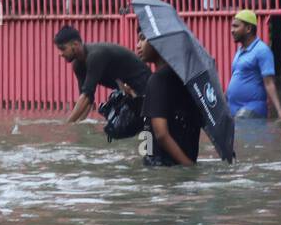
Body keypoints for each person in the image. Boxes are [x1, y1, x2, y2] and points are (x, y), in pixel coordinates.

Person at [54, 25, 150, 124]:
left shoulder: (95, 56)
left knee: (146, 127)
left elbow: (86, 97)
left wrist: (67, 124)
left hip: (145, 85)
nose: (60, 53)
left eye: (63, 48)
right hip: (128, 93)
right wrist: (79, 124)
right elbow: (87, 100)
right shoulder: (78, 65)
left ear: (75, 44)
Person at [136, 27, 202, 167]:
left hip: (162, 169)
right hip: (182, 165)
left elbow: (160, 134)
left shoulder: (158, 80)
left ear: (160, 41)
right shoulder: (185, 77)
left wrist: (188, 166)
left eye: (142, 38)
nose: (138, 45)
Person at [227, 9, 281, 119]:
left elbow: (269, 82)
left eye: (236, 26)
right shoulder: (240, 51)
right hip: (234, 109)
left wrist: (279, 111)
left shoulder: (262, 50)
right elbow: (236, 79)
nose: (232, 30)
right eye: (232, 26)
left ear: (248, 29)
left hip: (251, 109)